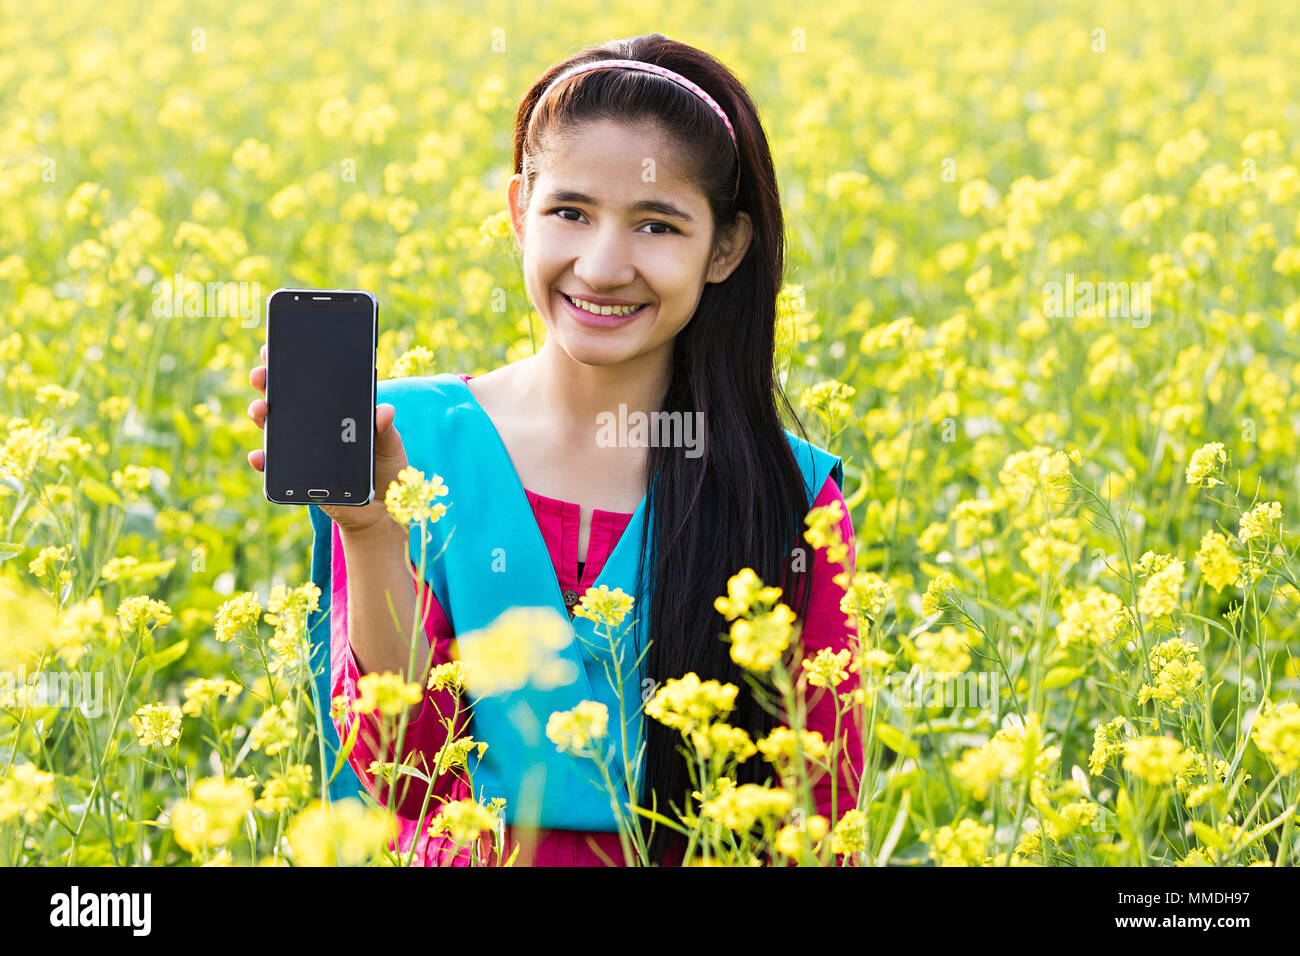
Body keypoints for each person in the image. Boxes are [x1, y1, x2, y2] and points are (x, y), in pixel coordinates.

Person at [247, 32, 864, 866]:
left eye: (658, 224)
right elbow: (405, 772)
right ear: (517, 212)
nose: (603, 266)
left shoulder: (785, 491)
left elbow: (819, 813)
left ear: (726, 248)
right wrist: (369, 528)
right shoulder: (405, 441)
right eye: (569, 213)